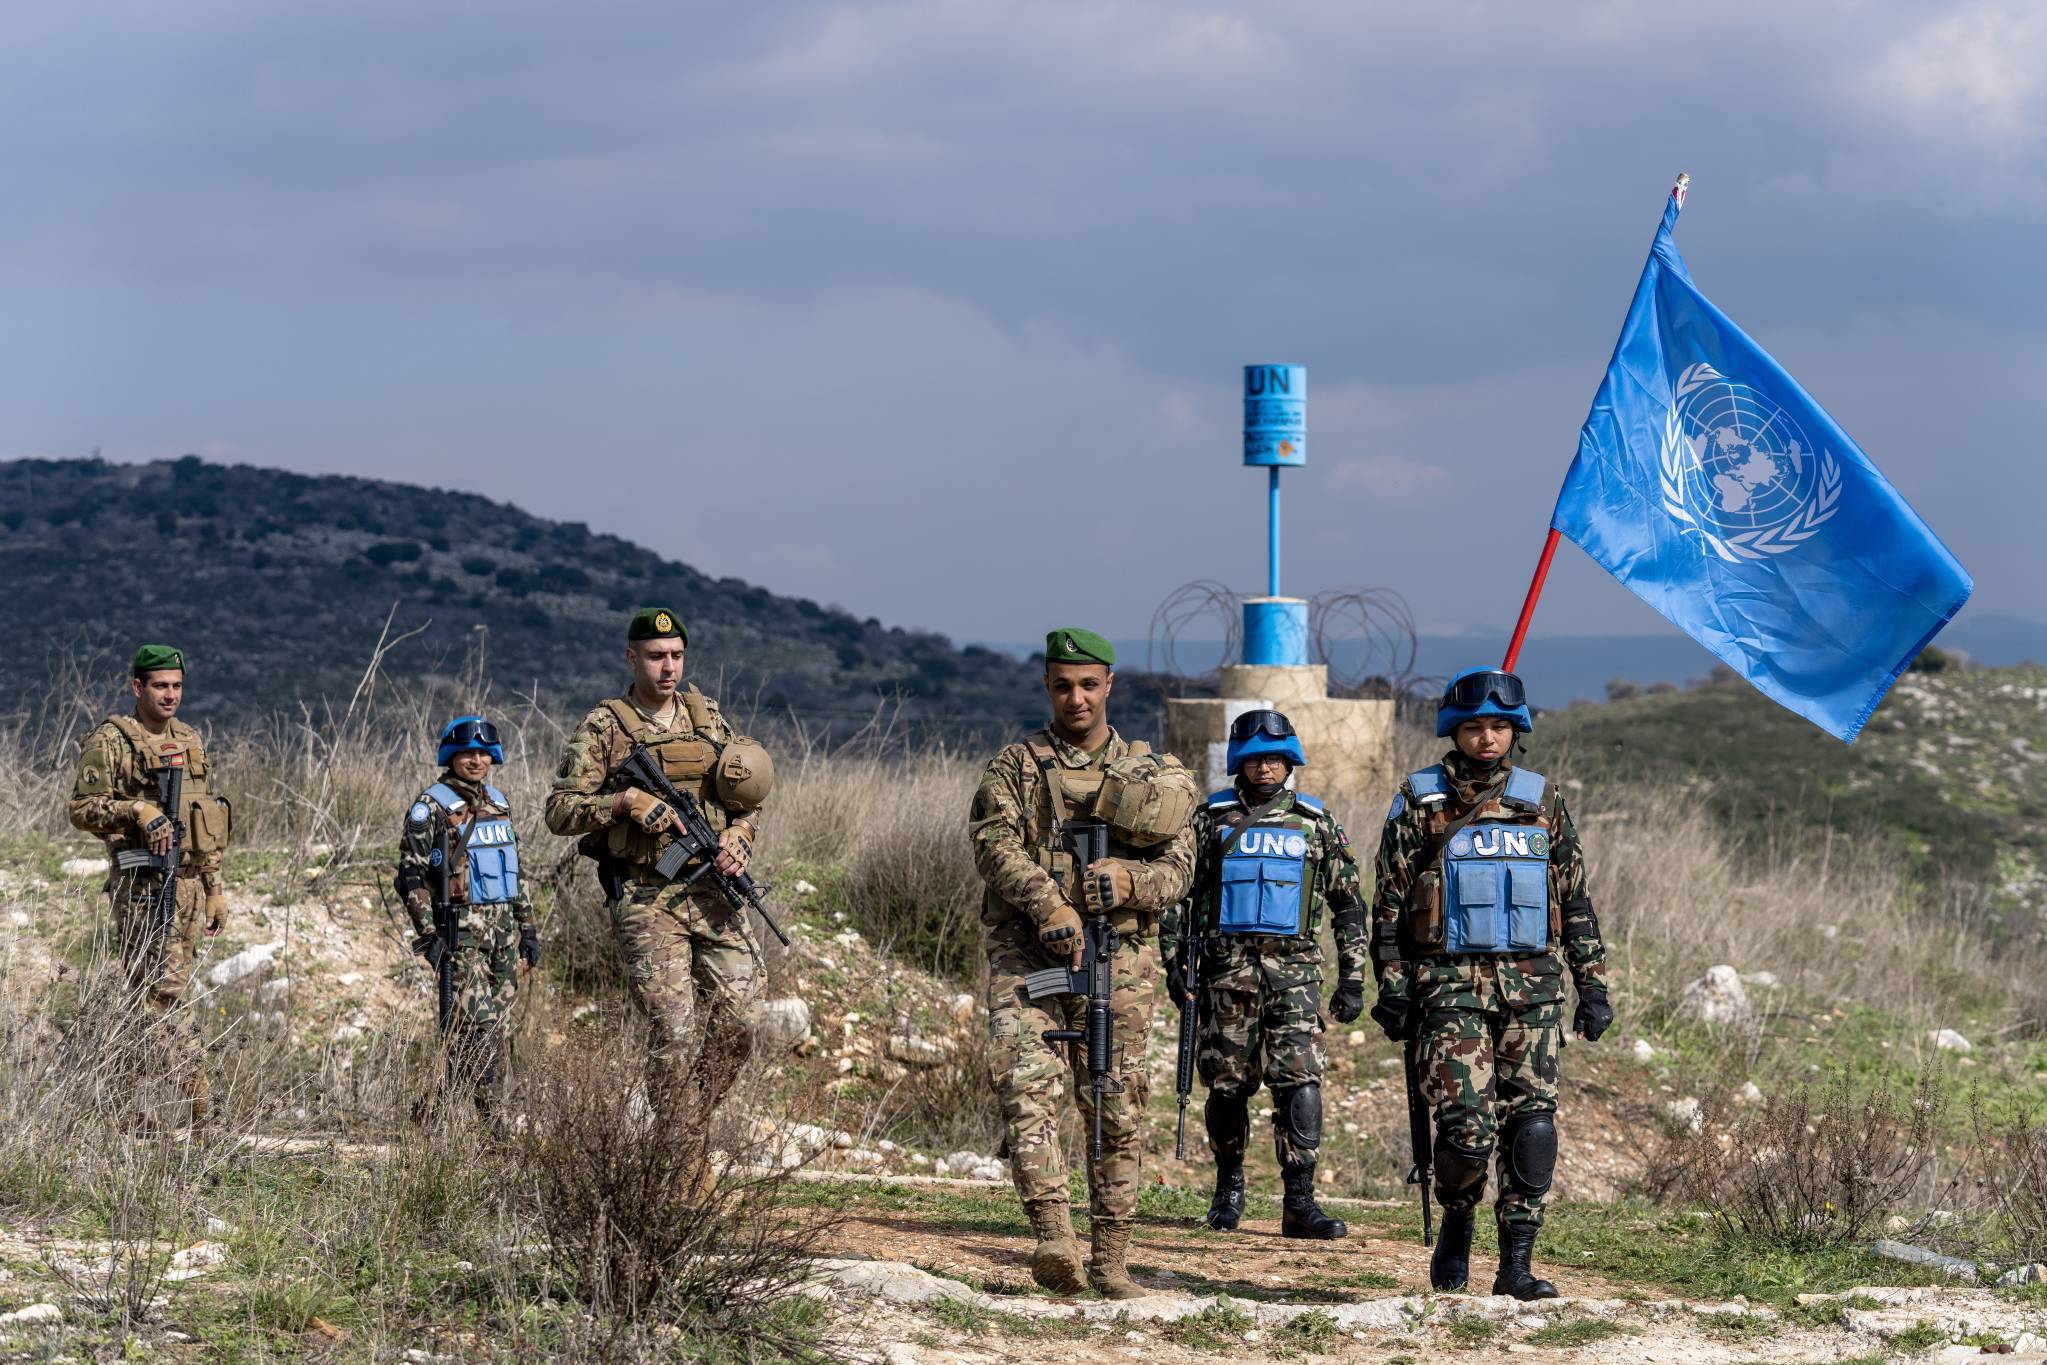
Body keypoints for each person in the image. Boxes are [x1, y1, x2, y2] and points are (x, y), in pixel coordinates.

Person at [1367, 668, 1614, 1300]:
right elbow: (1389, 905)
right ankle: (1457, 1224)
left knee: (1533, 1125)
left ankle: (1516, 1265)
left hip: (1532, 990)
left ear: (1516, 731)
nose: (1487, 738)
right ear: (1456, 731)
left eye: (1499, 726)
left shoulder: (1542, 802)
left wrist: (1593, 985)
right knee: (1466, 1131)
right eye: (1475, 727)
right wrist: (1393, 986)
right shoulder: (1420, 801)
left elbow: (1575, 898)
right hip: (1447, 988)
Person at [969, 628, 1198, 1299]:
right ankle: (1053, 1237)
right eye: (1063, 684)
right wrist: (1049, 903)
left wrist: (1130, 882)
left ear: (1108, 686)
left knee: (1115, 1101)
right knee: (1024, 1083)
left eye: (1089, 684)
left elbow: (1180, 866)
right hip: (1028, 952)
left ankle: (1111, 1259)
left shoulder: (1153, 775)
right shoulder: (1014, 766)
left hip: (1118, 956)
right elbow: (992, 844)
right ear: (1047, 685)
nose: (1077, 697)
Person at [544, 608, 774, 1168]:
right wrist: (623, 802)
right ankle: (682, 1159)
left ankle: (687, 1125)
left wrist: (741, 836)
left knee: (741, 1018)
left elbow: (746, 797)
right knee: (672, 1034)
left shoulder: (706, 718)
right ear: (632, 657)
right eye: (655, 656)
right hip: (648, 898)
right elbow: (559, 810)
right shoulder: (605, 726)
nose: (667, 667)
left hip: (712, 890)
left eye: (675, 656)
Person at [1159, 708, 1367, 1241]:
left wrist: (1352, 977)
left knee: (1300, 1085)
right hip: (1226, 979)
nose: (1266, 770)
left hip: (1296, 981)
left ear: (1290, 761)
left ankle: (1300, 1202)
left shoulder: (1316, 824)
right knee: (1227, 1088)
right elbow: (1176, 895)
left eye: (1275, 759)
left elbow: (1348, 905)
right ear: (1238, 764)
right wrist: (1173, 961)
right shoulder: (1209, 821)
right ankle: (1228, 1191)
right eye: (1255, 761)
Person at [67, 645, 233, 1125]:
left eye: (177, 686)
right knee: (165, 991)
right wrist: (136, 810)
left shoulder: (189, 739)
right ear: (137, 687)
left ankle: (117, 1100)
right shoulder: (113, 739)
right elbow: (81, 808)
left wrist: (215, 887)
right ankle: (200, 1099)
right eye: (160, 685)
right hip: (142, 884)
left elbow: (204, 824)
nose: (170, 695)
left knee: (152, 995)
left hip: (187, 888)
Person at [395, 715, 538, 1121]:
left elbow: (515, 873)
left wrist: (528, 930)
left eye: (481, 753)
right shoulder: (430, 808)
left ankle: (435, 1110)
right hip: (462, 940)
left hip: (503, 939)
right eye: (466, 754)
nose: (475, 761)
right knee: (483, 1032)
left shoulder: (499, 804)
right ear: (451, 757)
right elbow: (410, 879)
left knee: (492, 1033)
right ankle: (492, 1131)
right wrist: (428, 936)